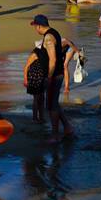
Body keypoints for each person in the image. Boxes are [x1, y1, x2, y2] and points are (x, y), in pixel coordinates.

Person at [30, 14, 75, 142]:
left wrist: (49, 77)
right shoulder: (54, 32)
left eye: (35, 26)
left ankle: (55, 135)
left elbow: (53, 60)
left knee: (51, 106)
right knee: (54, 103)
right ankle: (67, 128)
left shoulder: (48, 38)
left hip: (54, 76)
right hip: (57, 74)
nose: (35, 29)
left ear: (39, 26)